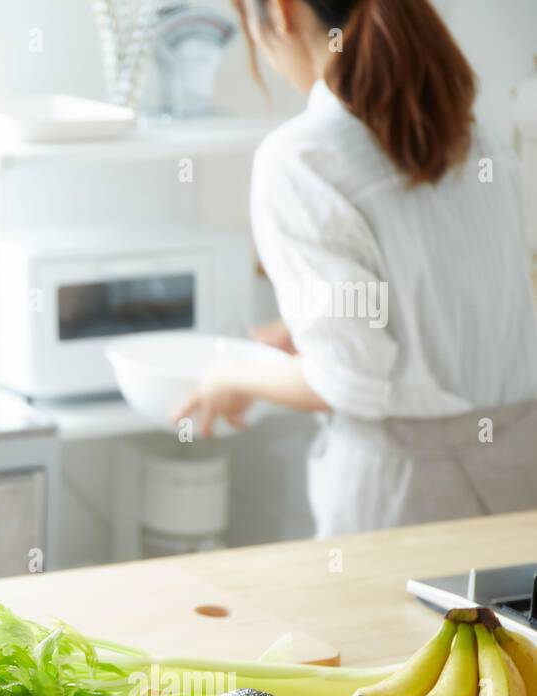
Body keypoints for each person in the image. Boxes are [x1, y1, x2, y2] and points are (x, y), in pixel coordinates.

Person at [173, 0, 537, 537]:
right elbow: (460, 308)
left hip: (407, 501)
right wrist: (306, 330)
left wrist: (232, 375)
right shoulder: (469, 134)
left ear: (282, 11)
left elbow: (351, 383)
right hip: (519, 483)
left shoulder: (301, 159)